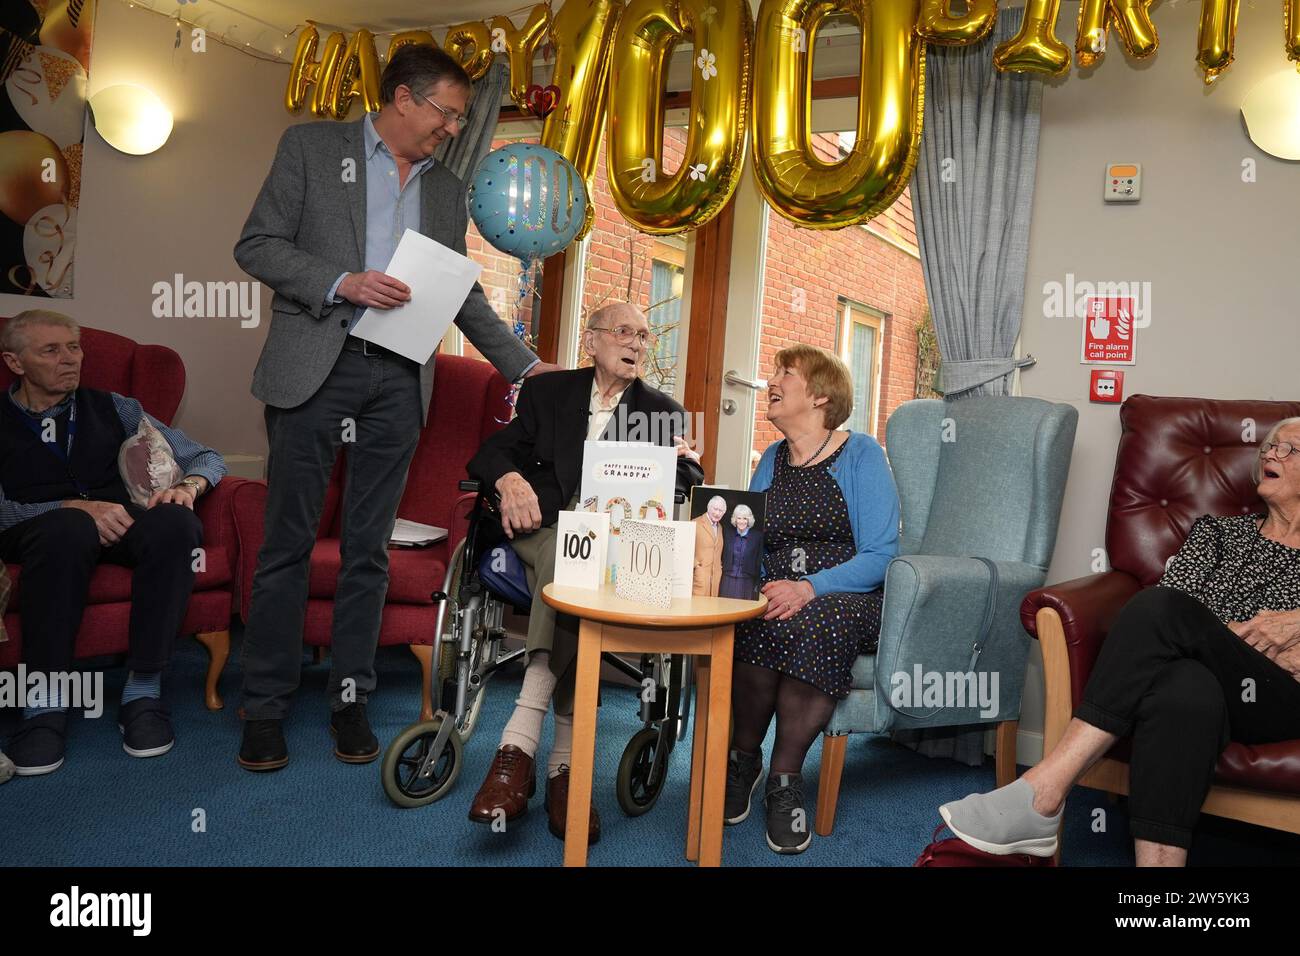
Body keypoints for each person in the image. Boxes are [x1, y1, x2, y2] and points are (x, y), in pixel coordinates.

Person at [232, 45, 558, 772]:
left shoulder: (444, 190)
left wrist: (529, 368)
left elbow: (462, 293)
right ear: (403, 99)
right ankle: (265, 707)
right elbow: (256, 246)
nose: (451, 128)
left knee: (368, 550)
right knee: (285, 547)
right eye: (446, 113)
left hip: (398, 383)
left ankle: (349, 700)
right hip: (314, 368)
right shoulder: (312, 149)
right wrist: (342, 281)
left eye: (457, 119)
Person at [940, 418, 1300, 867]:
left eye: (1290, 450)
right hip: (1206, 680)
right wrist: (1225, 639)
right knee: (1183, 688)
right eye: (1270, 446)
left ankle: (1043, 793)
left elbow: (1183, 620)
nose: (1270, 454)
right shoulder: (1218, 533)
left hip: (1276, 698)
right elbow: (1178, 609)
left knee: (1162, 615)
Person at [465, 302, 703, 842]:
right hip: (541, 531)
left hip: (614, 546)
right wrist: (508, 480)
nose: (638, 343)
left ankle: (520, 751)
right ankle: (563, 772)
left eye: (645, 336)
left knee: (582, 555)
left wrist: (681, 462)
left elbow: (688, 476)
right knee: (570, 553)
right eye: (625, 331)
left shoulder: (660, 410)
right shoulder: (549, 393)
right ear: (591, 340)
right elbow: (494, 451)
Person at [0, 310, 227, 775]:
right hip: (37, 531)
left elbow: (205, 456)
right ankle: (44, 702)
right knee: (69, 529)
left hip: (120, 522)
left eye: (74, 347)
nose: (70, 360)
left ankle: (143, 690)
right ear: (15, 362)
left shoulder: (116, 407)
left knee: (176, 525)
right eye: (51, 350)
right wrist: (70, 508)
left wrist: (191, 487)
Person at [724, 345, 900, 854]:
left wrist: (809, 587)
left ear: (821, 396)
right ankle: (743, 759)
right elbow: (750, 537)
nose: (771, 381)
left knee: (815, 619)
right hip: (779, 589)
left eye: (786, 374)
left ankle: (785, 781)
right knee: (751, 613)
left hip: (847, 592)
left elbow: (883, 553)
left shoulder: (862, 453)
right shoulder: (772, 458)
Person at [719, 504, 763, 600]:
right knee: (724, 607)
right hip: (727, 579)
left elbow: (758, 561)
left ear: (749, 520)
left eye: (745, 519)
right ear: (735, 519)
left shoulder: (757, 537)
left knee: (743, 610)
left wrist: (757, 583)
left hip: (747, 581)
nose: (742, 522)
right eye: (739, 518)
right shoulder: (726, 533)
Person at [693, 495, 727, 596]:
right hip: (700, 577)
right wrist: (696, 566)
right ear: (708, 507)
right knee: (698, 609)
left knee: (712, 608)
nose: (717, 513)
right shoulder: (695, 523)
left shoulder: (720, 527)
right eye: (715, 509)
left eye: (720, 510)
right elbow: (684, 548)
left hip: (715, 579)